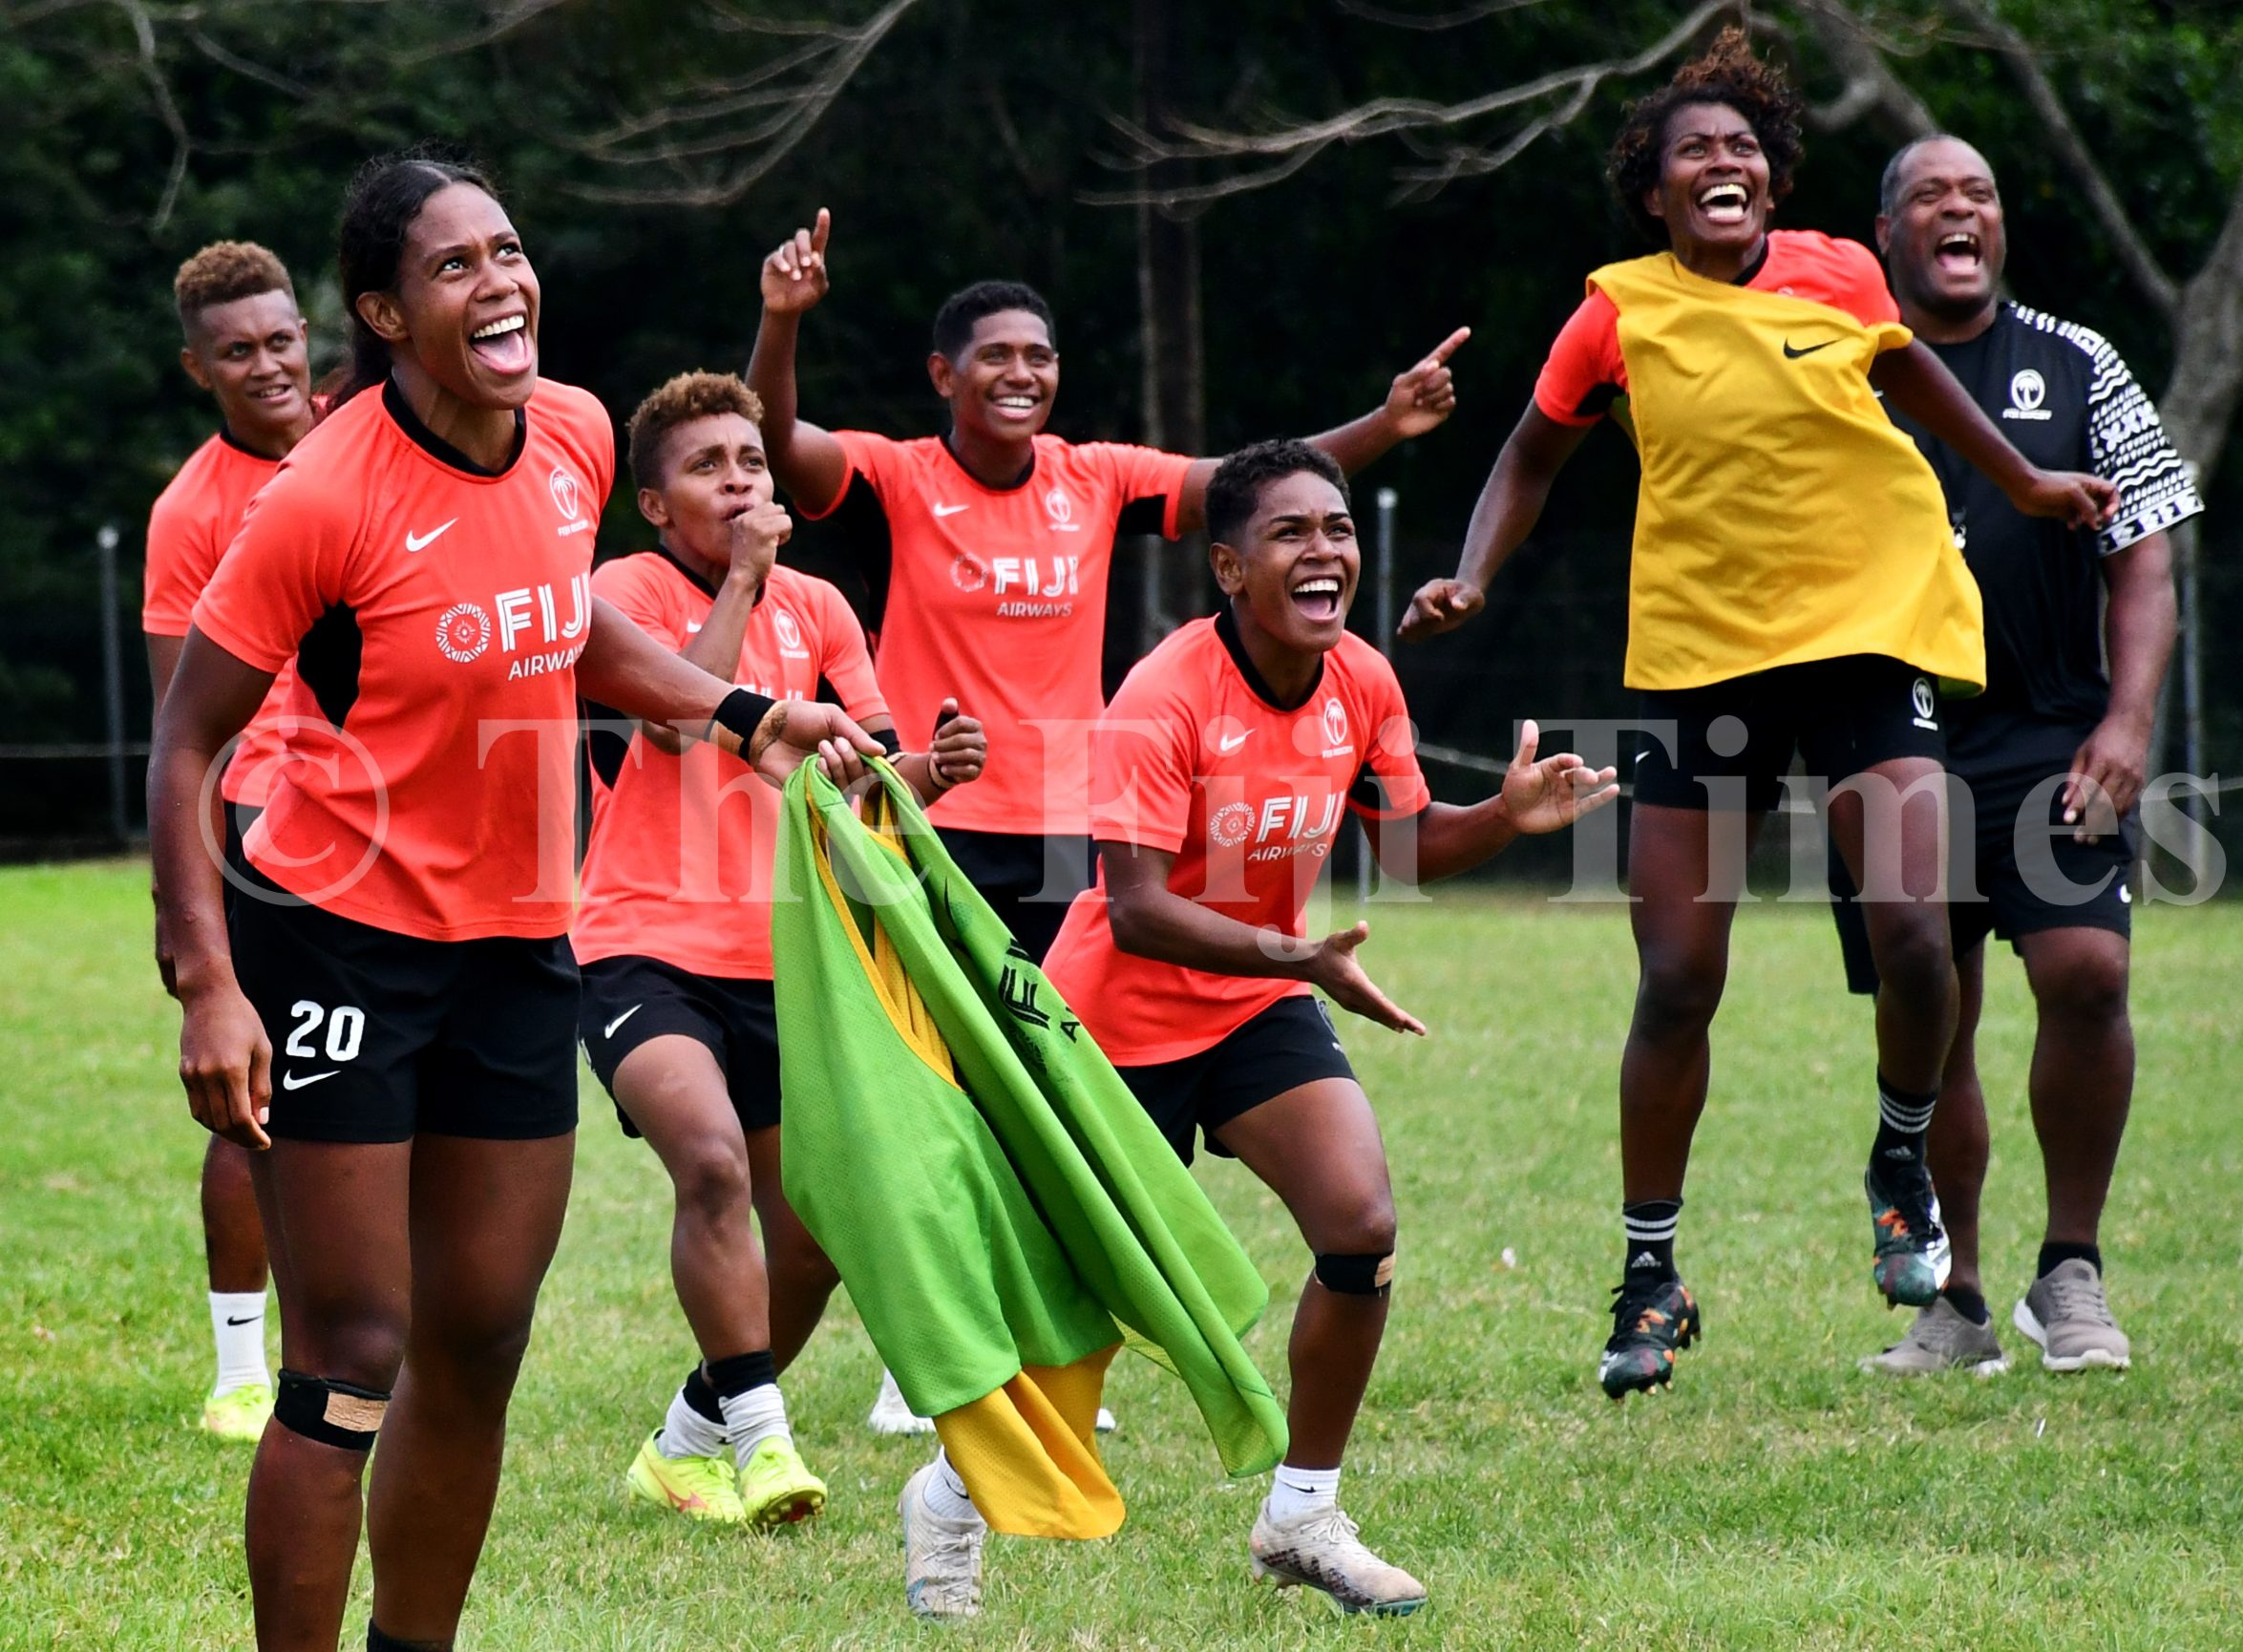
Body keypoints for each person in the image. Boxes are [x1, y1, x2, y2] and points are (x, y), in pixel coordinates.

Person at [147, 149, 877, 1652]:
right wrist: (209, 982)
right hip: (338, 931)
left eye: (510, 248)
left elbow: (570, 622)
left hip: (517, 944)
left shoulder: (576, 433)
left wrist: (744, 709)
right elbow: (186, 738)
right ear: (388, 314)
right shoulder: (321, 495)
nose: (503, 280)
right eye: (457, 264)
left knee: (477, 1343)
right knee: (351, 1351)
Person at [1396, 29, 2118, 1400]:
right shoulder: (1616, 310)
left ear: (1771, 179)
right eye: (1691, 153)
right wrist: (1474, 576)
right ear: (1656, 193)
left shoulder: (1843, 272)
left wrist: (2024, 484)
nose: (1720, 164)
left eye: (1740, 147)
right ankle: (1651, 1275)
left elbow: (1913, 379)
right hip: (1702, 661)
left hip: (1867, 638)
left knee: (1916, 937)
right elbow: (1530, 452)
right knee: (1677, 978)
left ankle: (1901, 1157)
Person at [747, 213, 1469, 1433]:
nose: (1023, 373)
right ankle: (936, 1349)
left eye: (1041, 354)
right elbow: (780, 447)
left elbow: (1248, 493)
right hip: (937, 831)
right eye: (996, 356)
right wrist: (780, 324)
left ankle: (985, 1344)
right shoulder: (900, 475)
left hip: (1080, 836)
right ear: (944, 378)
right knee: (953, 1090)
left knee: (1036, 1097)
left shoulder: (1098, 477)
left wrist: (1382, 425)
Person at [1032, 438, 1619, 1615]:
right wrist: (1290, 951)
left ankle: (1302, 1510)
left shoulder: (1360, 679)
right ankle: (951, 1503)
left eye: (1338, 529)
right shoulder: (1162, 694)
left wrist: (1502, 817)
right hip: (1115, 1018)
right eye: (1292, 532)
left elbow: (1405, 842)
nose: (1326, 551)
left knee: (1360, 1222)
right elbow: (1138, 910)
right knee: (1069, 1300)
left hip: (1255, 994)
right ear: (1229, 566)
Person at [575, 370, 985, 1525]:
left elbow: (870, 779)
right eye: (708, 467)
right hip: (641, 943)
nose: (741, 482)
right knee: (707, 1160)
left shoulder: (824, 606)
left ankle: (688, 1435)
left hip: (790, 960)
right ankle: (763, 1447)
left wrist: (930, 776)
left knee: (809, 1240)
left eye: (750, 462)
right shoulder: (624, 588)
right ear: (654, 505)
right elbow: (675, 712)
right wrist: (746, 580)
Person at [1846, 135, 2198, 1377]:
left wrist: (2127, 720)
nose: (1961, 209)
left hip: (2052, 728)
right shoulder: (1844, 364)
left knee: (2089, 971)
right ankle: (1960, 1302)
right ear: (1885, 234)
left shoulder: (2075, 357)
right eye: (1933, 195)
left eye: (1980, 194)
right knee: (1931, 1012)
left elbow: (2146, 546)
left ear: (1999, 229)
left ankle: (2073, 1271)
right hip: (1889, 734)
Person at [141, 239, 323, 1443]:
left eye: (282, 339)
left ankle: (356, 1330)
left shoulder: (374, 447)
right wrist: (189, 914)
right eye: (238, 350)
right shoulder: (186, 512)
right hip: (266, 818)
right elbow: (180, 731)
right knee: (256, 1093)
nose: (268, 365)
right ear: (198, 367)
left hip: (392, 818)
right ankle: (241, 1365)